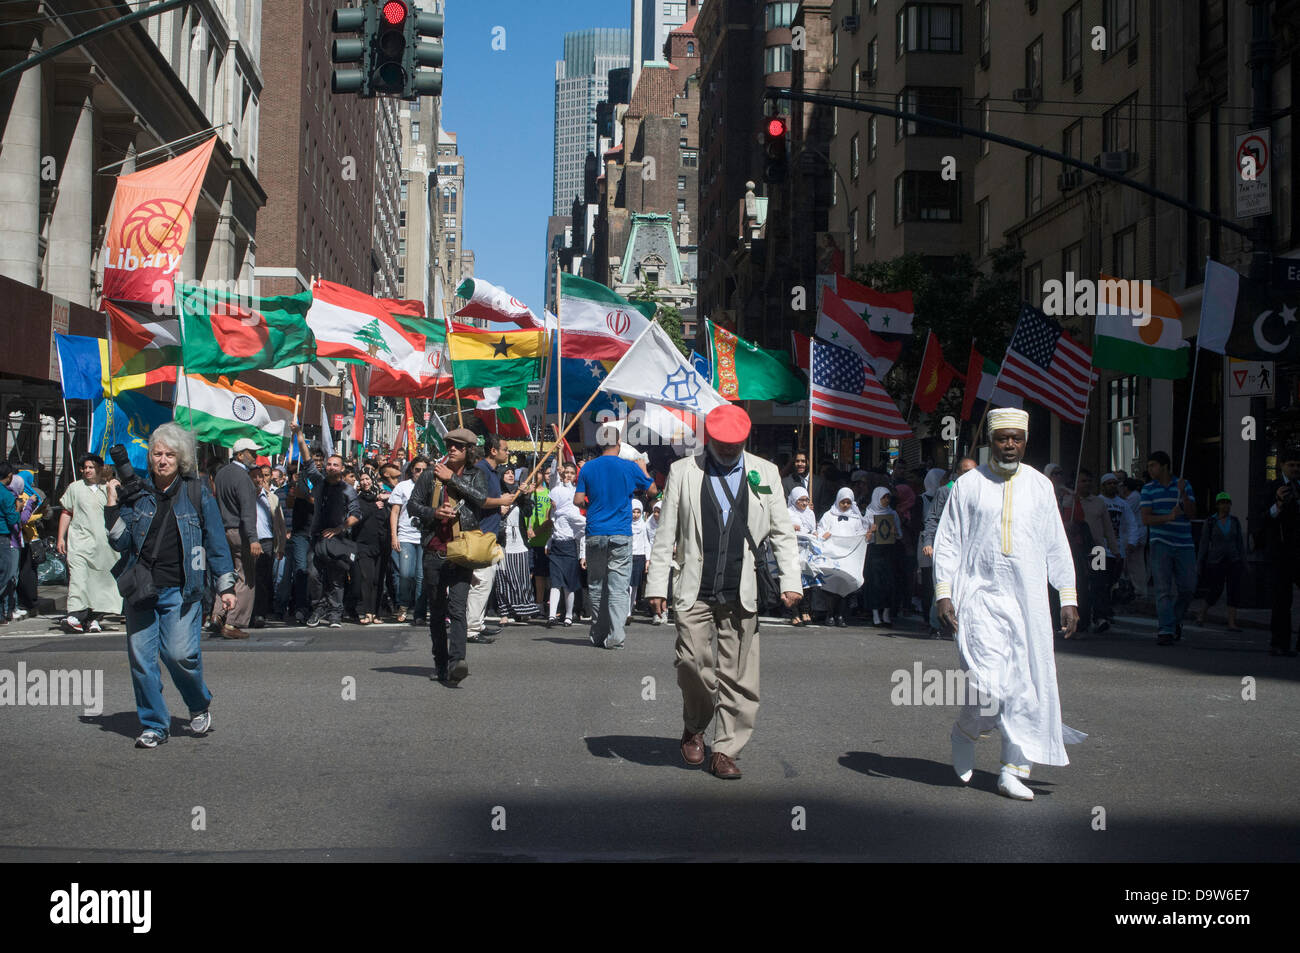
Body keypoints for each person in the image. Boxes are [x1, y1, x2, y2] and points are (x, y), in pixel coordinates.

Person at [933, 408, 1084, 801]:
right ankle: (966, 730)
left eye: (1017, 437)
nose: (1010, 444)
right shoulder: (968, 485)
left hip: (1027, 601)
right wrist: (943, 591)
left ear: (1026, 440)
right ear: (991, 442)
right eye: (1003, 438)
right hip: (978, 597)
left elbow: (1055, 544)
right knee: (986, 683)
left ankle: (1012, 769)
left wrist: (1067, 596)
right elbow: (948, 541)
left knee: (1023, 685)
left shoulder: (1039, 486)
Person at [646, 405, 801, 780]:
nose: (729, 450)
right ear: (710, 439)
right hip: (693, 588)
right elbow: (666, 533)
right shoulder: (683, 472)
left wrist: (791, 580)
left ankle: (726, 749)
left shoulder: (764, 473)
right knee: (692, 664)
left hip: (741, 588)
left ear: (745, 441)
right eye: (723, 444)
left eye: (736, 444)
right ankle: (695, 724)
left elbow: (782, 532)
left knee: (740, 676)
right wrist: (656, 583)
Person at [103, 424, 237, 748]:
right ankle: (154, 725)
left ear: (181, 459)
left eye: (169, 454)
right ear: (149, 457)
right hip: (142, 590)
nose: (162, 460)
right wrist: (110, 506)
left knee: (178, 654)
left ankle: (198, 702)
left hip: (182, 590)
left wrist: (226, 586)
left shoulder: (196, 492)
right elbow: (121, 542)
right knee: (142, 660)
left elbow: (216, 541)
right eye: (157, 453)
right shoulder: (137, 493)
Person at [406, 428, 488, 684]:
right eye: (449, 444)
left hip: (462, 551)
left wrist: (453, 479)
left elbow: (481, 499)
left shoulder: (476, 475)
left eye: (458, 446)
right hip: (434, 549)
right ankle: (441, 662)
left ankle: (457, 662)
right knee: (438, 610)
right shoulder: (430, 474)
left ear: (468, 451)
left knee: (458, 609)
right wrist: (434, 513)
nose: (452, 448)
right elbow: (413, 504)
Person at [573, 422, 655, 649]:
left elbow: (578, 500)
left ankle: (598, 635)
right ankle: (615, 635)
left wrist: (594, 503)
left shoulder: (588, 468)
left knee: (597, 585)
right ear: (618, 443)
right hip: (620, 532)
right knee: (618, 588)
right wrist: (643, 468)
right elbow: (653, 491)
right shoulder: (629, 467)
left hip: (595, 532)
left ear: (599, 444)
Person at [294, 429, 361, 628]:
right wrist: (299, 435)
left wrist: (340, 528)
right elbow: (306, 460)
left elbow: (356, 515)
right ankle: (318, 607)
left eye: (335, 465)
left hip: (337, 541)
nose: (331, 467)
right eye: (329, 464)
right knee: (313, 574)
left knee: (336, 578)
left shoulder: (348, 490)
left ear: (342, 469)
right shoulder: (319, 481)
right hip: (315, 539)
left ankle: (335, 614)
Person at [56, 453, 122, 633]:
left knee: (101, 582)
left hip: (104, 545)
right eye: (85, 468)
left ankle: (94, 617)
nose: (87, 471)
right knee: (78, 577)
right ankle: (75, 615)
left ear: (100, 469)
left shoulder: (109, 488)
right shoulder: (75, 488)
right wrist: (61, 537)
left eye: (91, 467)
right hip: (79, 543)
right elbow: (66, 512)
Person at [466, 434, 521, 641]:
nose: (508, 453)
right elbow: (478, 499)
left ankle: (477, 624)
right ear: (493, 450)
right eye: (505, 449)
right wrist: (500, 501)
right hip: (480, 535)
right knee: (481, 582)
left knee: (486, 582)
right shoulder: (481, 470)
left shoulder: (491, 471)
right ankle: (471, 628)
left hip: (489, 535)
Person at [1140, 450, 1197, 646]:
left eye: (1153, 465)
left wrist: (1183, 493)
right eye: (1148, 466)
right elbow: (1146, 518)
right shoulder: (1148, 489)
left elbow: (1191, 513)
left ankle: (1174, 621)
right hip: (1161, 542)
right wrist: (1167, 517)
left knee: (1189, 587)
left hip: (1184, 542)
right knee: (1163, 589)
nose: (1150, 469)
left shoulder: (1184, 484)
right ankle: (1165, 629)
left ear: (1164, 466)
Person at [208, 438, 262, 640]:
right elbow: (248, 511)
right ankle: (233, 622)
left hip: (222, 530)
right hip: (240, 532)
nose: (255, 456)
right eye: (251, 453)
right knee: (246, 576)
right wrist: (253, 538)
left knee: (225, 573)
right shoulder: (243, 477)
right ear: (240, 454)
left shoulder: (221, 474)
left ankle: (217, 615)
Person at [1069, 469, 1121, 634]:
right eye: (1083, 481)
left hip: (1097, 550)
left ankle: (1100, 617)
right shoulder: (1069, 501)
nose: (1087, 484)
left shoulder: (1099, 502)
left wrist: (1115, 550)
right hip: (1076, 550)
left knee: (1099, 584)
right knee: (1081, 585)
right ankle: (1082, 619)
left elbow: (1108, 529)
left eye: (1089, 481)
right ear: (1076, 483)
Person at [1263, 451, 1300, 656]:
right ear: (1283, 465)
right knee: (1281, 600)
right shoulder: (1272, 487)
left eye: (1297, 466)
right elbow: (1263, 518)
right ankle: (1279, 642)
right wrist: (1277, 504)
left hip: (1298, 550)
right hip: (1280, 551)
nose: (1295, 469)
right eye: (1291, 465)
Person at [816, 488, 869, 627]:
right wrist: (824, 535)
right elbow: (821, 530)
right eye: (843, 502)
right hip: (832, 555)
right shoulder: (828, 515)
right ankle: (830, 614)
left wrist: (866, 535)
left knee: (846, 583)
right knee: (831, 585)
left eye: (848, 502)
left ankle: (840, 614)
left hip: (849, 557)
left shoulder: (857, 518)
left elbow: (861, 535)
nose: (845, 505)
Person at [1195, 491, 1246, 632]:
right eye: (1222, 503)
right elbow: (1204, 544)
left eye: (1227, 503)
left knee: (1233, 590)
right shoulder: (1211, 522)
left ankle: (1231, 622)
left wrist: (1244, 561)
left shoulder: (1235, 521)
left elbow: (1240, 543)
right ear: (1217, 505)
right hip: (1216, 561)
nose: (1225, 506)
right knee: (1215, 590)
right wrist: (1199, 563)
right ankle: (1202, 612)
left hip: (1233, 560)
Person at [494, 468, 539, 623]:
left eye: (512, 473)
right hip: (502, 540)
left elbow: (527, 512)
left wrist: (526, 495)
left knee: (521, 576)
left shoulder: (519, 494)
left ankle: (523, 609)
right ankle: (505, 612)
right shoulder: (495, 494)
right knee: (503, 576)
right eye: (507, 473)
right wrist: (499, 509)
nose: (511, 475)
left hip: (519, 540)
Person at [387, 457, 428, 624]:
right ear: (411, 470)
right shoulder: (402, 487)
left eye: (424, 470)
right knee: (405, 574)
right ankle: (403, 605)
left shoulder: (432, 487)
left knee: (421, 575)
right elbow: (395, 512)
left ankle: (419, 611)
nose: (420, 473)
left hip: (424, 537)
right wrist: (394, 536)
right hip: (405, 536)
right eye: (417, 469)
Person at [545, 462, 584, 627]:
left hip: (569, 546)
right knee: (555, 582)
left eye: (571, 473)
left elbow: (583, 530)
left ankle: (568, 615)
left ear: (575, 476)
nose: (568, 475)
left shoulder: (574, 496)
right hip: (556, 546)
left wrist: (583, 554)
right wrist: (548, 543)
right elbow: (554, 526)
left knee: (569, 583)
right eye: (565, 472)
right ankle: (551, 616)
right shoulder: (556, 503)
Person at [248, 465, 286, 629]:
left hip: (267, 542)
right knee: (249, 578)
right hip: (249, 541)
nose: (259, 480)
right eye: (256, 476)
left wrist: (281, 546)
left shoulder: (272, 498)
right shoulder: (247, 497)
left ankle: (260, 613)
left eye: (262, 476)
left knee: (263, 579)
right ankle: (247, 612)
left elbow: (280, 524)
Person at [350, 469, 389, 624]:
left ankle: (376, 612)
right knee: (368, 577)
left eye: (368, 479)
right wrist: (374, 506)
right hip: (363, 544)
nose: (365, 482)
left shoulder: (383, 498)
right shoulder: (357, 499)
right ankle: (367, 611)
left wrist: (384, 501)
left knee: (379, 579)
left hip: (381, 544)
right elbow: (359, 515)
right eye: (363, 479)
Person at [862, 486, 902, 627]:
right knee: (875, 582)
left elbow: (899, 535)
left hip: (888, 551)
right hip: (874, 551)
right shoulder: (869, 513)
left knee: (888, 582)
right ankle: (875, 614)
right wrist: (870, 531)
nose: (886, 500)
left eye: (888, 497)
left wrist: (894, 531)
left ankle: (886, 613)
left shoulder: (892, 514)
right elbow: (864, 538)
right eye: (883, 497)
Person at [1100, 473, 1140, 606]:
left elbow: (1132, 524)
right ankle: (1099, 611)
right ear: (1103, 486)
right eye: (1109, 483)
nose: (1112, 486)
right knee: (1098, 580)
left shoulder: (1123, 504)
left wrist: (1132, 542)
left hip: (1118, 550)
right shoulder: (1097, 501)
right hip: (1098, 550)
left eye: (1114, 483)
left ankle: (1108, 608)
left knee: (1113, 580)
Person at [787, 486, 817, 626]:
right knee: (794, 582)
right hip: (793, 552)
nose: (804, 503)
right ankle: (794, 613)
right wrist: (791, 527)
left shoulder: (810, 513)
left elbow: (813, 529)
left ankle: (806, 611)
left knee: (807, 582)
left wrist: (815, 533)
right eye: (801, 500)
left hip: (807, 553)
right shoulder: (788, 513)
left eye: (806, 500)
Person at [1119, 476, 1147, 597]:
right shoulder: (1132, 497)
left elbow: (1124, 512)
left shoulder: (1134, 497)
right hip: (1133, 534)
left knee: (1136, 564)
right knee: (1132, 564)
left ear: (1125, 487)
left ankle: (1140, 590)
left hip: (1136, 535)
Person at [628, 499, 650, 622]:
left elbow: (647, 542)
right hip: (628, 555)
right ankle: (625, 612)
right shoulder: (626, 524)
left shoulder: (644, 525)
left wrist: (648, 559)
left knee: (635, 586)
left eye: (638, 512)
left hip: (639, 556)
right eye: (633, 512)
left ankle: (630, 609)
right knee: (627, 586)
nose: (635, 515)